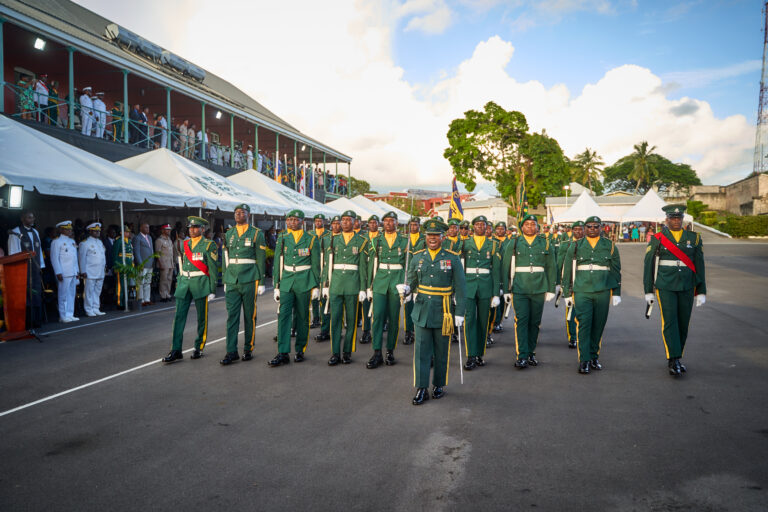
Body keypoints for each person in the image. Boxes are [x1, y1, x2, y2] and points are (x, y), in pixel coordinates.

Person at [403, 218, 466, 405]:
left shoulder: (452, 258)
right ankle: (421, 387)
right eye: (429, 235)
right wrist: (406, 289)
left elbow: (461, 288)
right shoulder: (417, 257)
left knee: (441, 351)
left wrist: (460, 312)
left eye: (436, 235)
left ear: (443, 237)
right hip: (422, 309)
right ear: (425, 237)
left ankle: (439, 384)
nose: (432, 238)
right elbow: (412, 281)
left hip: (444, 310)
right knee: (421, 350)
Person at [643, 204, 706, 377]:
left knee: (683, 323)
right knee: (670, 322)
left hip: (687, 285)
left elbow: (699, 266)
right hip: (666, 286)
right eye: (673, 218)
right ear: (667, 220)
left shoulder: (694, 238)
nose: (676, 221)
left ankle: (678, 356)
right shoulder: (657, 238)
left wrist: (701, 290)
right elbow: (649, 265)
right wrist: (649, 291)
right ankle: (673, 359)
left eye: (679, 218)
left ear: (682, 219)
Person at [561, 216, 622, 374]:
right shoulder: (575, 246)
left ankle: (594, 356)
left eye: (596, 226)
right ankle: (584, 359)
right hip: (582, 291)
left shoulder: (610, 246)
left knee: (598, 325)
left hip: (603, 291)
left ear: (601, 228)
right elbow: (567, 270)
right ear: (585, 228)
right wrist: (567, 293)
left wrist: (616, 292)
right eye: (589, 227)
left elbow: (615, 271)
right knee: (584, 325)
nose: (593, 229)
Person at [501, 215, 556, 369]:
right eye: (527, 224)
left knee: (535, 322)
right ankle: (522, 355)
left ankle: (531, 352)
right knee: (521, 321)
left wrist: (551, 288)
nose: (530, 227)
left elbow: (551, 266)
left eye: (533, 224)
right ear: (521, 227)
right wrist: (506, 289)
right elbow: (505, 267)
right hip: (520, 288)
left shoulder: (545, 243)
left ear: (537, 227)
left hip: (539, 287)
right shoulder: (514, 243)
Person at [269, 210, 321, 367]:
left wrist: (316, 286)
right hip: (286, 281)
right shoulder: (283, 238)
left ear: (302, 221)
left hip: (304, 281)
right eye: (289, 219)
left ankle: (300, 349)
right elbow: (277, 262)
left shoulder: (311, 239)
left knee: (303, 316)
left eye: (294, 219)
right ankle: (283, 352)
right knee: (283, 316)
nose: (291, 222)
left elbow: (315, 265)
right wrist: (276, 285)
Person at [163, 217, 218, 363]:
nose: (192, 230)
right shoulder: (183, 244)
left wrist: (212, 289)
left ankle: (199, 347)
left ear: (202, 229)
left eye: (195, 227)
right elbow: (181, 262)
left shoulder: (209, 245)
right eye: (190, 228)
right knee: (179, 317)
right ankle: (176, 349)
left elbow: (212, 268)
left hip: (200, 282)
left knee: (202, 317)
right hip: (184, 282)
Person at [220, 204, 267, 365]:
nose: (238, 215)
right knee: (231, 316)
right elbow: (225, 257)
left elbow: (261, 258)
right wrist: (225, 278)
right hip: (232, 278)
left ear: (248, 214)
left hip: (249, 277)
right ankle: (231, 351)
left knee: (249, 315)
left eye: (242, 212)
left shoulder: (256, 233)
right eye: (236, 212)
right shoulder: (229, 233)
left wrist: (261, 281)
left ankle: (248, 348)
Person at [322, 210, 369, 365]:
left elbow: (363, 266)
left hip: (352, 284)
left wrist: (363, 288)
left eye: (348, 220)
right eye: (343, 220)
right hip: (335, 284)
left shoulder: (361, 241)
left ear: (355, 222)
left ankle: (347, 351)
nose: (345, 223)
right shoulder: (333, 240)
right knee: (335, 320)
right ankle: (335, 352)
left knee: (351, 320)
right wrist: (325, 284)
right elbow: (328, 264)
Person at [366, 211, 409, 369]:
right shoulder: (376, 240)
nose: (388, 223)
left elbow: (408, 265)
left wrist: (408, 286)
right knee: (377, 318)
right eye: (386, 221)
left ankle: (390, 351)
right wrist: (369, 286)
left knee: (393, 317)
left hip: (397, 280)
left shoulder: (405, 241)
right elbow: (372, 264)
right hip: (380, 280)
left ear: (397, 223)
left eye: (392, 221)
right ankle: (377, 352)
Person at [460, 215, 501, 370]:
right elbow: (459, 268)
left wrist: (496, 293)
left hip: (485, 286)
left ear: (486, 227)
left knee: (483, 321)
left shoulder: (493, 245)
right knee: (469, 321)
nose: (480, 227)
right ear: (473, 227)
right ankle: (470, 355)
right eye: (477, 224)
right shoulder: (465, 243)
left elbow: (496, 270)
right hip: (468, 286)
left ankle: (479, 354)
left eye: (483, 225)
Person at [7, 210, 45, 327]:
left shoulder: (35, 232)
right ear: (22, 219)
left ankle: (36, 320)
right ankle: (27, 321)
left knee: (36, 293)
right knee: (26, 294)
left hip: (35, 268)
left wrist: (41, 265)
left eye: (32, 217)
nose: (32, 220)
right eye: (29, 217)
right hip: (23, 269)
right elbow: (13, 253)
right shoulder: (16, 232)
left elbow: (38, 250)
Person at [556, 220, 584, 348]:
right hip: (571, 281)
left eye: (580, 229)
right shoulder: (565, 245)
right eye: (576, 229)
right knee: (571, 311)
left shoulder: (587, 244)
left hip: (585, 282)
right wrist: (560, 283)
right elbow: (560, 264)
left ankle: (582, 336)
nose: (578, 231)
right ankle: (572, 337)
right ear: (572, 231)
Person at [50, 221, 80, 322]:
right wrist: (58, 272)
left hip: (72, 271)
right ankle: (63, 316)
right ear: (61, 230)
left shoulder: (72, 241)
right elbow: (54, 258)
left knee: (71, 294)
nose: (70, 230)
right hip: (64, 272)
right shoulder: (56, 242)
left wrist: (77, 271)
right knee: (63, 295)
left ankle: (70, 314)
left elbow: (75, 258)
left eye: (70, 229)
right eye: (67, 229)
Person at [403, 216, 425, 345]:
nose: (413, 227)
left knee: (420, 304)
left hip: (421, 275)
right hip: (408, 275)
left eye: (416, 225)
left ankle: (419, 330)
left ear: (419, 226)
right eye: (411, 225)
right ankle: (408, 331)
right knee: (408, 305)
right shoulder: (405, 239)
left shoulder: (423, 239)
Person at [359, 214, 380, 344]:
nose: (372, 225)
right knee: (365, 303)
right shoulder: (363, 238)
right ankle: (366, 330)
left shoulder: (382, 238)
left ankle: (378, 329)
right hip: (366, 271)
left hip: (379, 272)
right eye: (370, 223)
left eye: (375, 222)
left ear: (378, 224)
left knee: (379, 304)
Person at [78, 222, 107, 317]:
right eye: (95, 231)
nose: (98, 232)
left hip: (100, 271)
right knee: (89, 291)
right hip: (90, 271)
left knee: (97, 291)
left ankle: (96, 308)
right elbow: (81, 258)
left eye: (98, 231)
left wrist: (104, 267)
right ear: (90, 231)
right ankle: (88, 309)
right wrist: (83, 271)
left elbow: (102, 257)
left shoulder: (100, 242)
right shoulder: (85, 243)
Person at [309, 214, 331, 331]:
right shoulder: (310, 234)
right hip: (314, 267)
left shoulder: (328, 234)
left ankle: (324, 320)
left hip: (325, 266)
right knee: (314, 294)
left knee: (324, 295)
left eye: (320, 221)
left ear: (324, 221)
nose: (318, 223)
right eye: (316, 221)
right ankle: (316, 318)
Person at [490, 221, 510, 334]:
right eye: (497, 228)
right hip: (494, 273)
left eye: (502, 229)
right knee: (494, 297)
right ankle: (494, 322)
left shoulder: (510, 242)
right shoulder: (492, 242)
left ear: (506, 230)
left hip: (505, 273)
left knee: (503, 300)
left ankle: (499, 321)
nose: (500, 231)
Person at [133, 223, 155, 306]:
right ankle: (141, 300)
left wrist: (152, 261)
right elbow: (137, 252)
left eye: (148, 227)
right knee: (140, 282)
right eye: (146, 227)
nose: (148, 229)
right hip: (142, 264)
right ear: (141, 228)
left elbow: (152, 250)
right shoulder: (137, 238)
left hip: (149, 264)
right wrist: (140, 263)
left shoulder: (149, 237)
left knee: (147, 283)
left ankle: (147, 299)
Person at [113, 226, 134, 309]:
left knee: (127, 284)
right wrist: (116, 266)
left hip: (128, 265)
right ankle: (119, 303)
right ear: (121, 232)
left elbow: (130, 254)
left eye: (128, 232)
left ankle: (125, 301)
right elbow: (115, 255)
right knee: (120, 285)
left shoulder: (128, 241)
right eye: (126, 232)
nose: (128, 233)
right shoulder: (118, 241)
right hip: (121, 265)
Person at [154, 224, 175, 301]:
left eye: (169, 229)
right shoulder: (159, 240)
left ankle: (167, 294)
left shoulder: (169, 239)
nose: (169, 231)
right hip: (163, 263)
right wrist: (160, 263)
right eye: (167, 229)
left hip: (170, 262)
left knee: (169, 279)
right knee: (163, 280)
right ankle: (163, 295)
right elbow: (157, 253)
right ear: (162, 230)